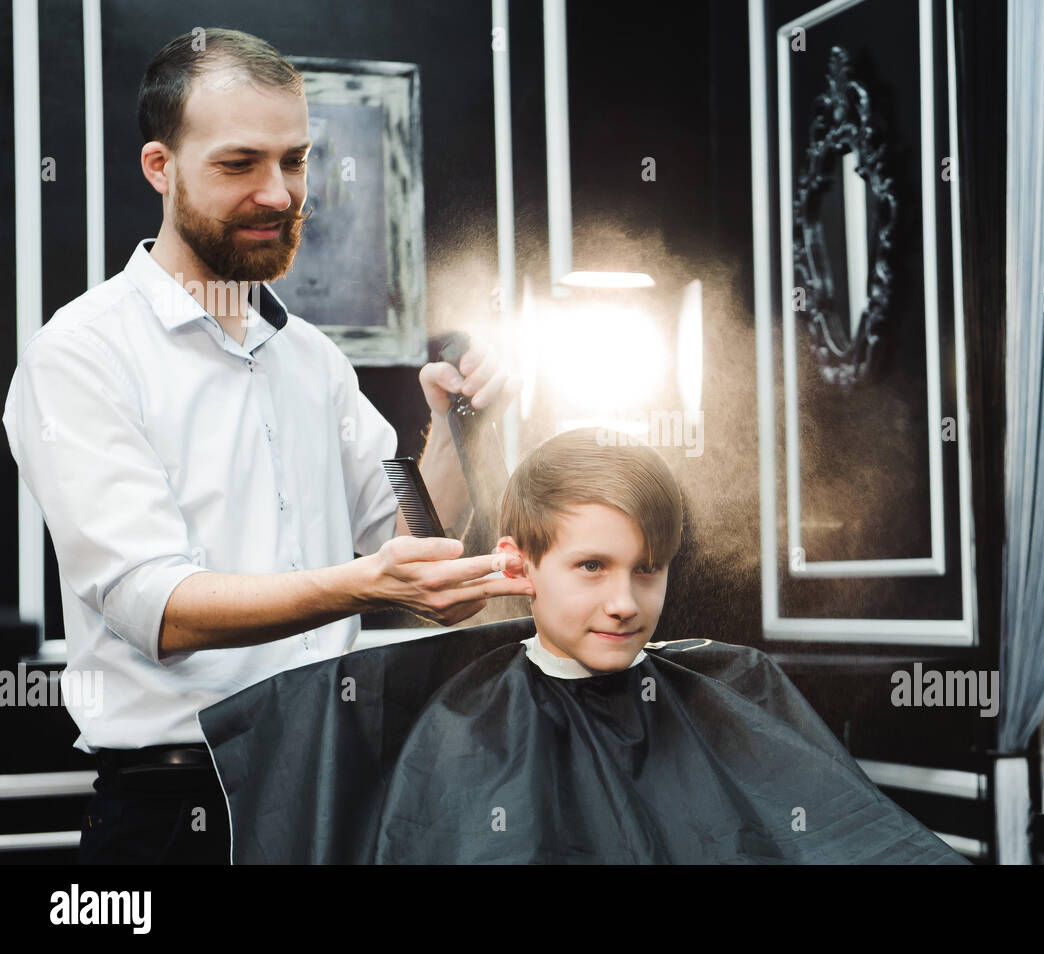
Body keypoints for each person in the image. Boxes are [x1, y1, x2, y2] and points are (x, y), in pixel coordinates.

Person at [1, 28, 532, 865]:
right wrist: (361, 585)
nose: (280, 194)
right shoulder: (81, 353)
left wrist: (457, 434)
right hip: (175, 809)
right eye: (239, 163)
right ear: (159, 168)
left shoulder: (311, 358)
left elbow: (402, 544)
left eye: (296, 160)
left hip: (336, 783)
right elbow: (158, 609)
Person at [199, 428, 969, 864]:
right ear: (518, 565)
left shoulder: (736, 687)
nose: (624, 602)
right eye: (591, 567)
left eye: (648, 569)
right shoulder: (470, 733)